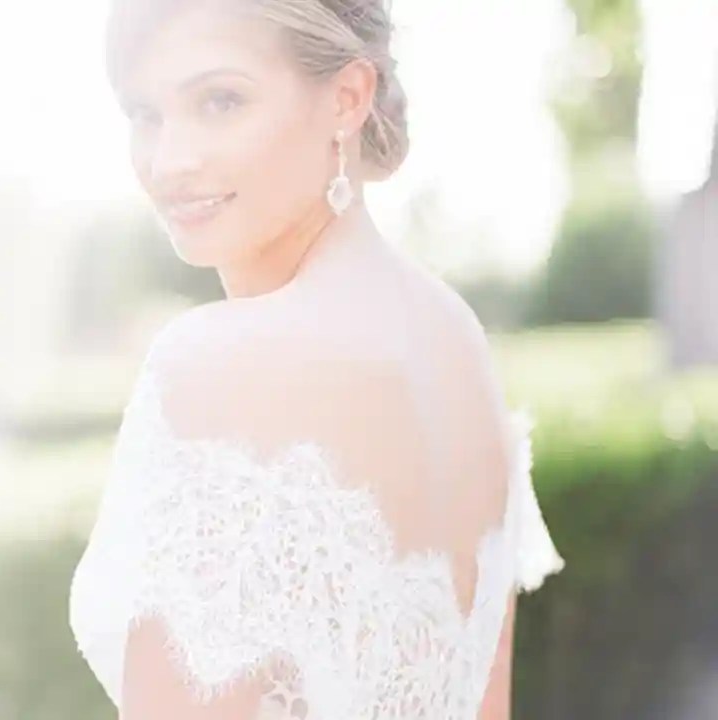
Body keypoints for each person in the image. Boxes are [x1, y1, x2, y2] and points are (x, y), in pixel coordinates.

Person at [66, 1, 566, 718]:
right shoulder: (455, 337)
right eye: (145, 114)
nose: (170, 159)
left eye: (220, 100)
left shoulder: (212, 363)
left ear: (347, 98)